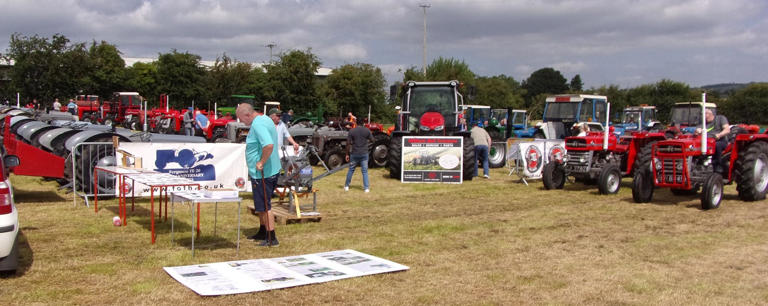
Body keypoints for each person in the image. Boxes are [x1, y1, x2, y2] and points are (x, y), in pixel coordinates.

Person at [236, 103, 281, 246]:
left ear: (248, 115)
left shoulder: (258, 125)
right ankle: (263, 231)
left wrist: (261, 161)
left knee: (265, 206)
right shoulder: (265, 119)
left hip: (264, 172)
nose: (241, 122)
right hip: (267, 171)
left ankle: (271, 237)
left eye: (241, 119)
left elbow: (268, 145)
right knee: (260, 205)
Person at [695, 109, 730, 173]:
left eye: (705, 115)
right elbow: (697, 131)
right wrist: (697, 132)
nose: (704, 117)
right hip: (706, 142)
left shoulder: (720, 118)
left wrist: (719, 135)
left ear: (709, 114)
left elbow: (727, 130)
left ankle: (718, 165)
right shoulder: (703, 123)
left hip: (719, 141)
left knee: (717, 145)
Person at [344, 117, 374, 192]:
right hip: (364, 153)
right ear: (364, 123)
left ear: (356, 123)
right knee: (364, 171)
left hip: (354, 153)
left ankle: (347, 186)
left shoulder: (352, 131)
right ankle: (366, 188)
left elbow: (348, 144)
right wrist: (366, 143)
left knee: (351, 170)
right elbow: (373, 140)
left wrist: (347, 154)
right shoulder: (367, 130)